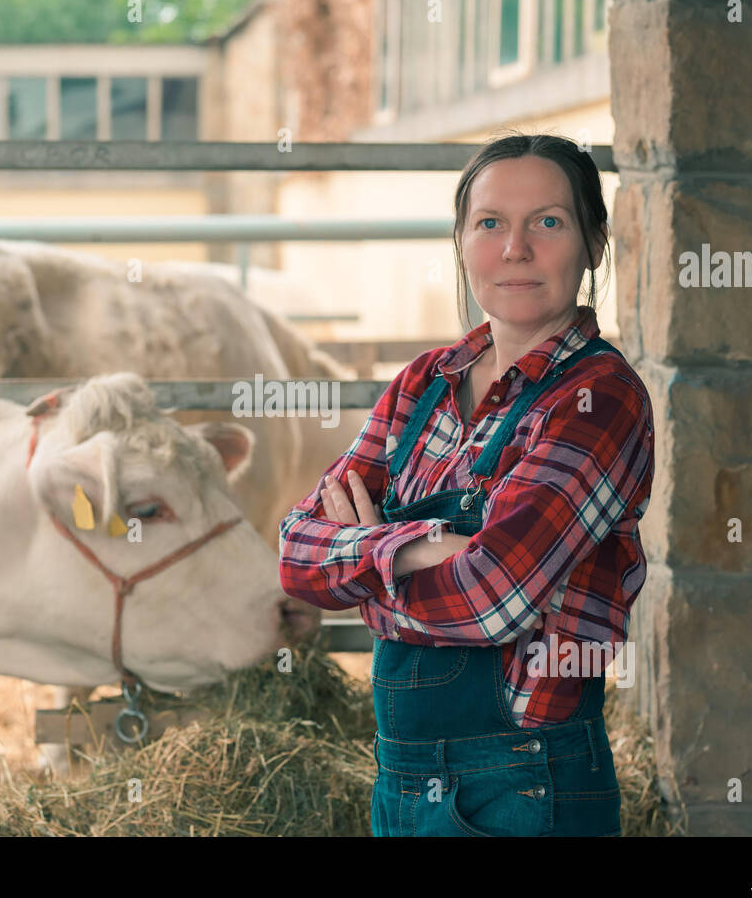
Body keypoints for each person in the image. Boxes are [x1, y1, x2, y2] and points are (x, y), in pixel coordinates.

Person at [278, 133, 655, 837]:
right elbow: (296, 556)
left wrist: (364, 561)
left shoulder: (598, 398)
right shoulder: (426, 381)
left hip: (523, 782)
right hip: (401, 779)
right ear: (461, 240)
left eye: (548, 221)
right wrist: (428, 546)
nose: (515, 248)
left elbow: (495, 600)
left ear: (594, 243)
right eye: (490, 223)